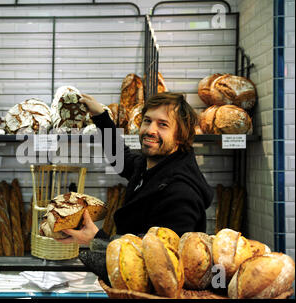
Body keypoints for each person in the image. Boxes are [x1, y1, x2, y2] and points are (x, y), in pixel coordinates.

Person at [57, 92, 214, 245]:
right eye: (147, 121)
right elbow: (121, 159)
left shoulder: (181, 194)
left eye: (163, 124)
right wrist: (100, 115)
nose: (150, 130)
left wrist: (96, 240)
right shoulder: (153, 165)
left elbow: (157, 261)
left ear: (180, 136)